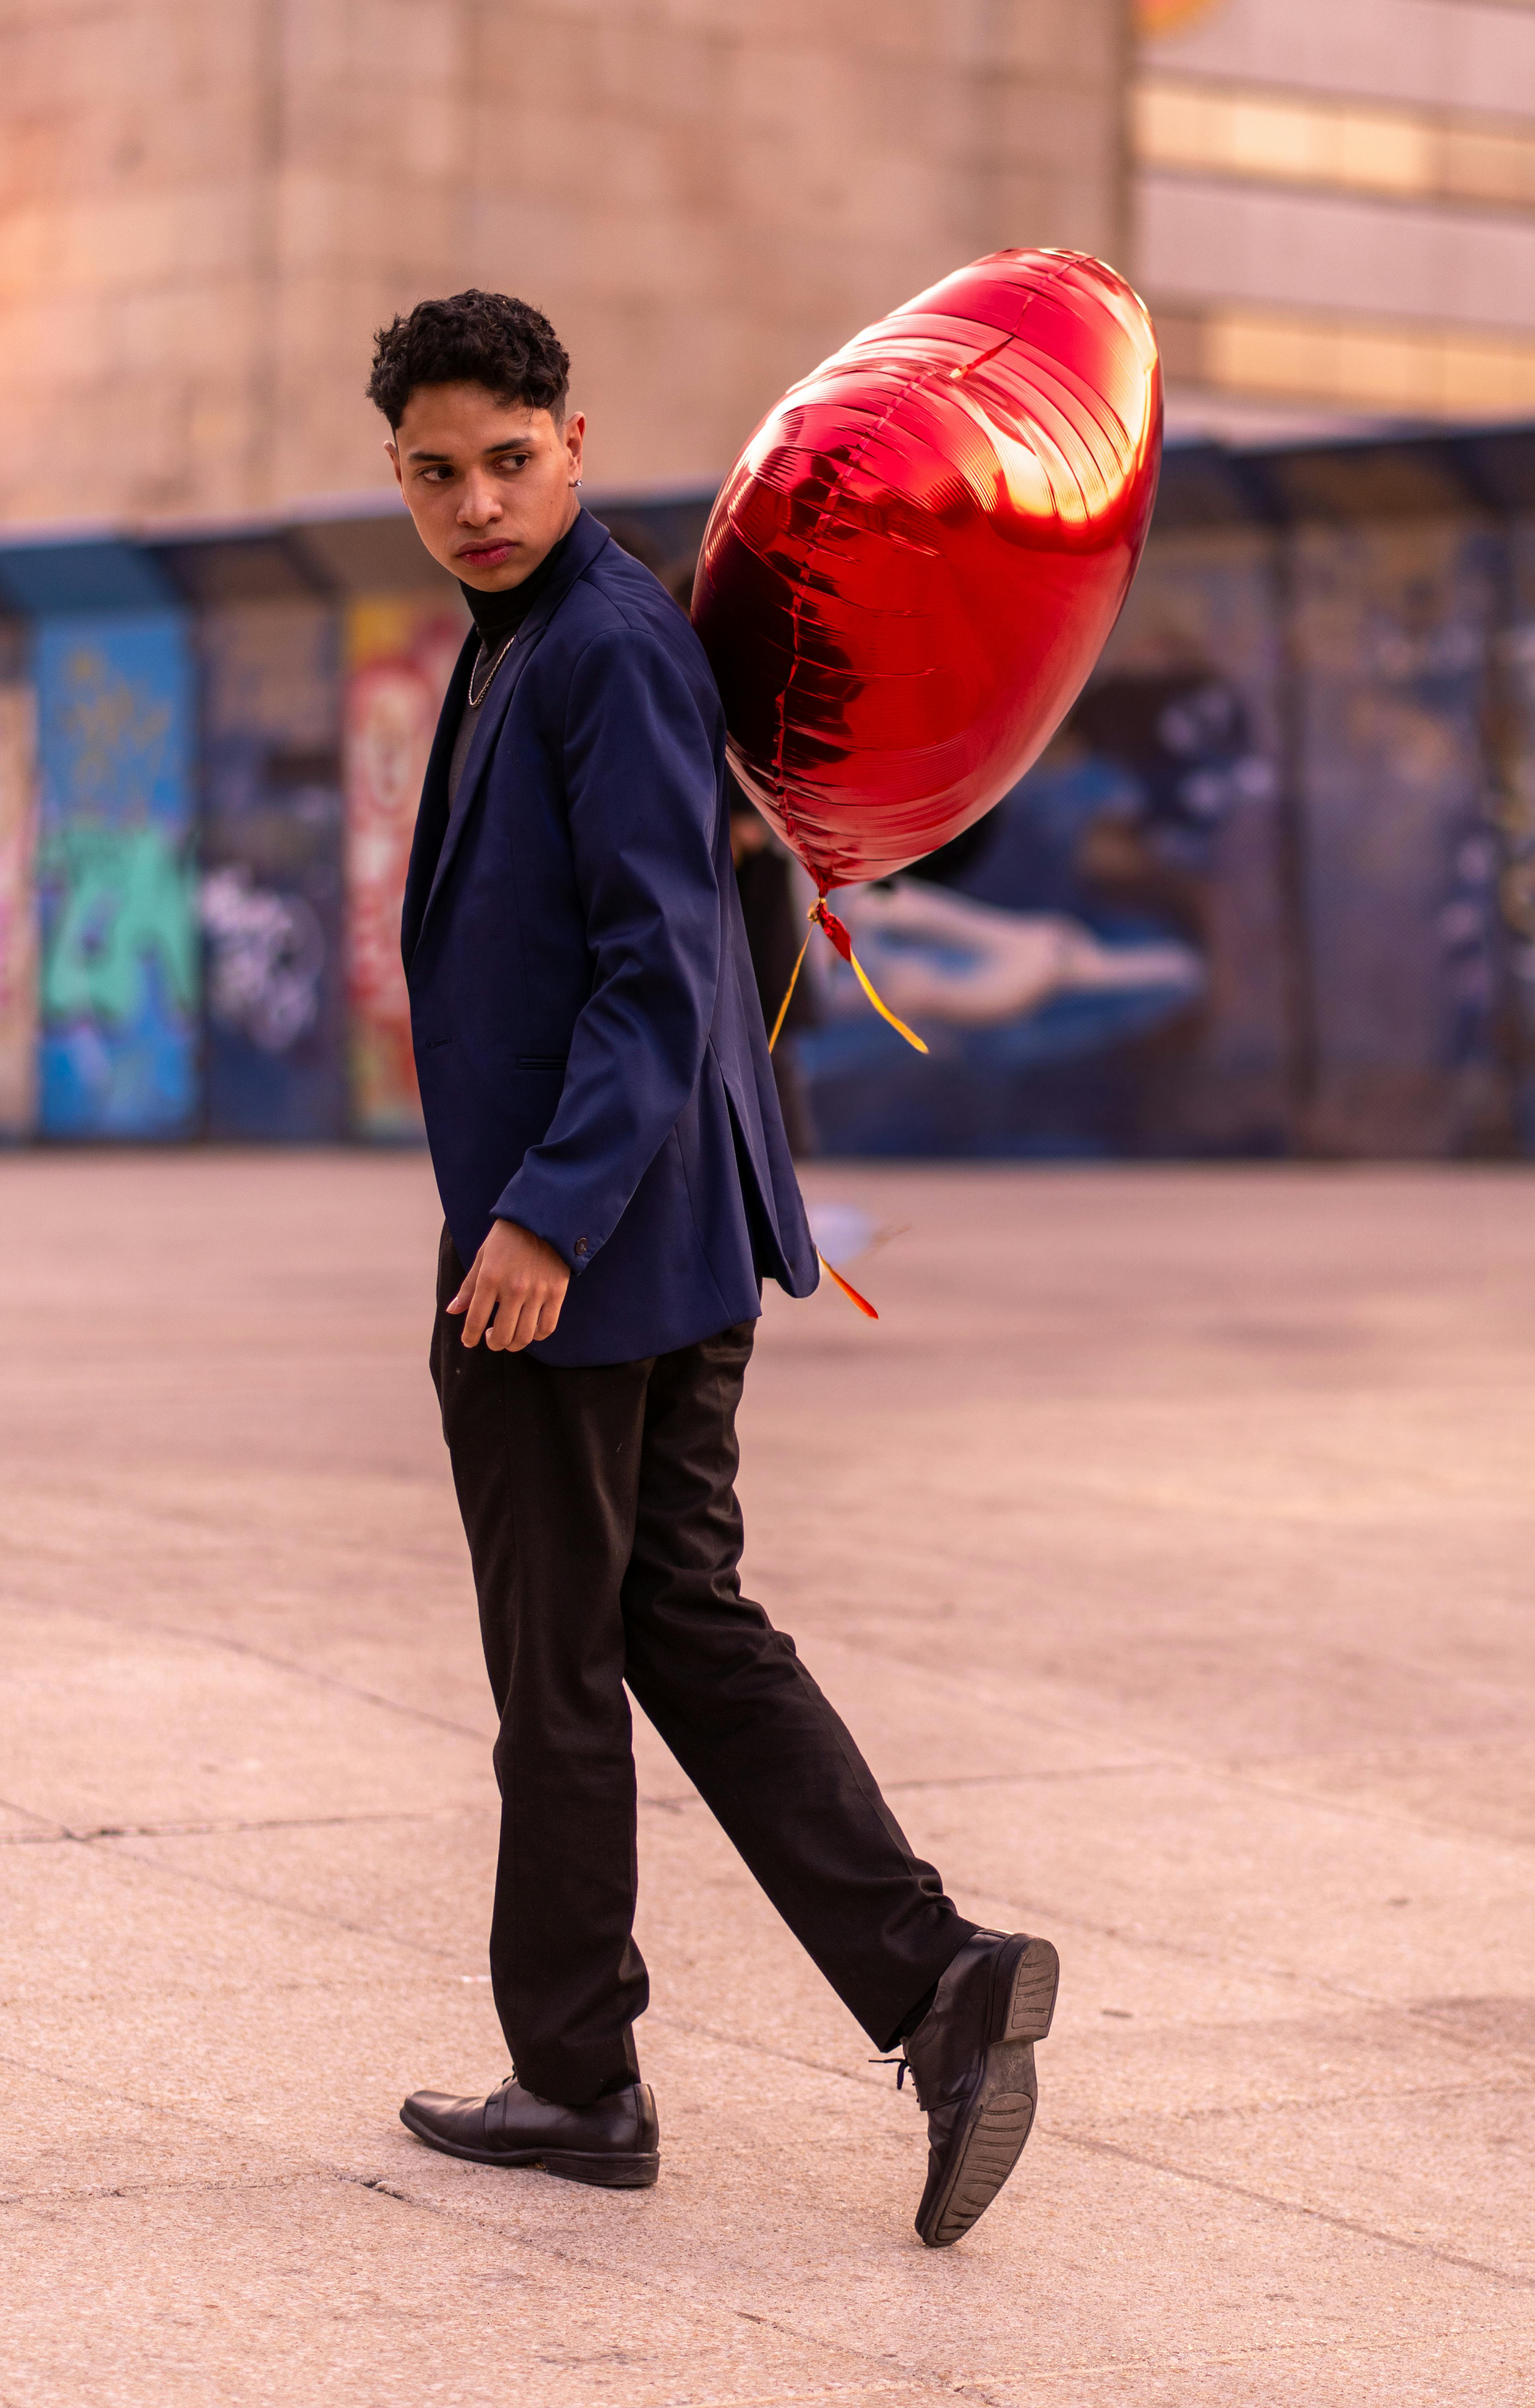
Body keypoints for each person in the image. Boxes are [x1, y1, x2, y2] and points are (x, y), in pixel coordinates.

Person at [364, 290, 1057, 2248]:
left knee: (556, 1674)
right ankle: (939, 1986)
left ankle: (577, 2082)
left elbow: (660, 965)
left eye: (510, 458)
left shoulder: (597, 648)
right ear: (398, 473)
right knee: (678, 1617)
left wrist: (538, 1216)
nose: (477, 500)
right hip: (656, 1233)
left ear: (574, 441)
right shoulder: (541, 639)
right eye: (436, 471)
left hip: (578, 1249)